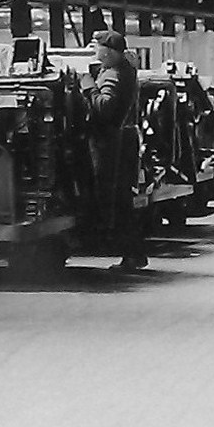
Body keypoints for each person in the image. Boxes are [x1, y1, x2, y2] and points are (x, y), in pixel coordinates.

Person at [86, 29, 148, 272]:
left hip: (110, 144)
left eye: (97, 47)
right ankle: (133, 254)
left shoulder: (114, 74)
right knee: (122, 199)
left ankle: (132, 254)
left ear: (108, 51)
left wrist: (88, 87)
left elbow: (105, 107)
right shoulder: (121, 69)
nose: (94, 51)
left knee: (116, 200)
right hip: (121, 141)